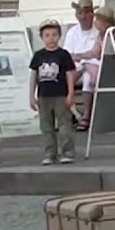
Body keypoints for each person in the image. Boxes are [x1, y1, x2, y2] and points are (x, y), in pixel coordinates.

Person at [29, 19, 77, 165]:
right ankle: (50, 153)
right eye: (47, 35)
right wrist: (31, 95)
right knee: (46, 126)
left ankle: (67, 152)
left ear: (59, 36)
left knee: (64, 125)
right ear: (42, 37)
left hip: (61, 95)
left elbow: (70, 74)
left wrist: (70, 93)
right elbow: (34, 75)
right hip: (44, 96)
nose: (51, 38)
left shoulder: (63, 54)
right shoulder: (38, 56)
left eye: (54, 35)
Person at [75, 6, 115, 131]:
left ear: (106, 21)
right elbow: (94, 53)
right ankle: (87, 115)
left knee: (87, 66)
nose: (95, 23)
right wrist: (78, 56)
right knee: (88, 76)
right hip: (106, 67)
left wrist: (83, 60)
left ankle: (87, 115)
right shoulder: (101, 35)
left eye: (98, 20)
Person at [62, 0, 99, 124]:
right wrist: (83, 58)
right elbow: (67, 55)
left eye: (86, 12)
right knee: (63, 78)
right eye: (80, 13)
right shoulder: (72, 32)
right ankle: (72, 113)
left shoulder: (98, 30)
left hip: (94, 67)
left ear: (92, 14)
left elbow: (98, 54)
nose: (83, 16)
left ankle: (87, 116)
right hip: (76, 67)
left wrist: (82, 58)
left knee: (88, 78)